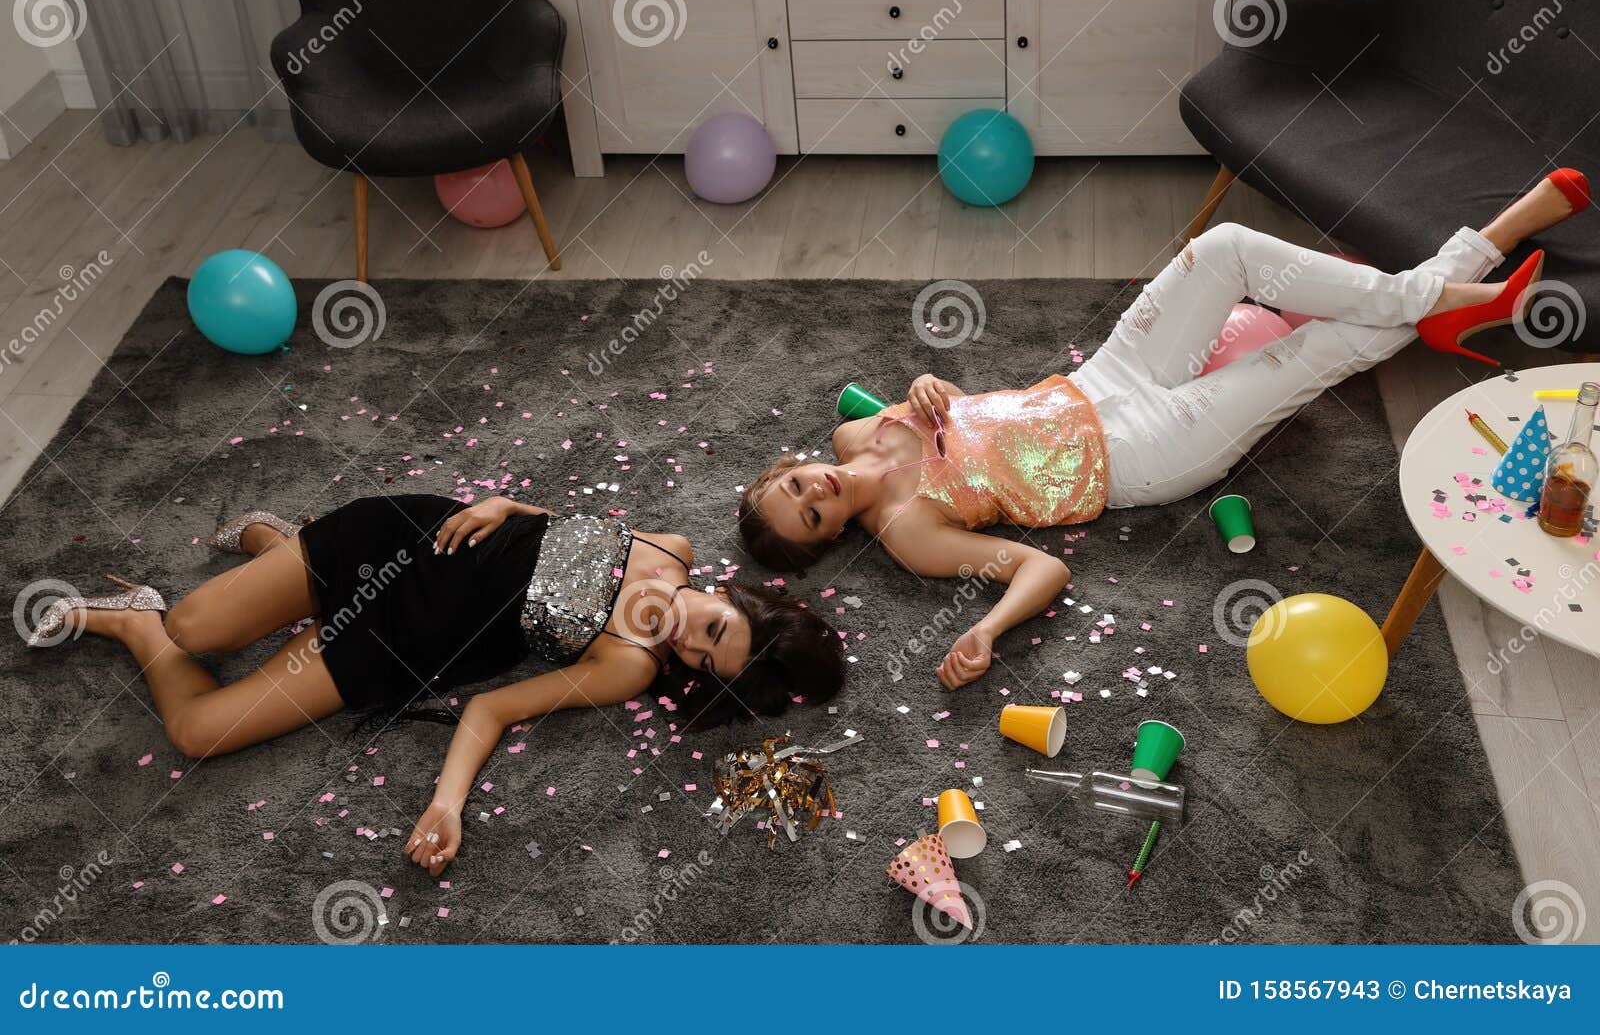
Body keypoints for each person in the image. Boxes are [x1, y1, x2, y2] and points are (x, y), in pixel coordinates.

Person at [739, 170, 1589, 691]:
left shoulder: (857, 438)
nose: (814, 494)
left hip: (1098, 379)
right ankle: (1487, 251)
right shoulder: (910, 535)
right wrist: (989, 629)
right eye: (810, 517)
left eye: (792, 487)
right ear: (829, 537)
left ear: (790, 467)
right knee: (1315, 352)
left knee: (1222, 245)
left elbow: (969, 413)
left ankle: (1440, 301)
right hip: (1140, 450)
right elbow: (1043, 565)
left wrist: (933, 385)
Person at [23, 493, 845, 875]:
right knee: (200, 630)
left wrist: (447, 802)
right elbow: (557, 527)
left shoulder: (628, 662)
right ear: (728, 592)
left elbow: (491, 705)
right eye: (711, 627)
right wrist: (504, 505)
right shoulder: (669, 547)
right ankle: (287, 539)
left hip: (401, 639)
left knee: (194, 729)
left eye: (701, 663)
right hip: (413, 539)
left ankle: (136, 616)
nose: (685, 641)